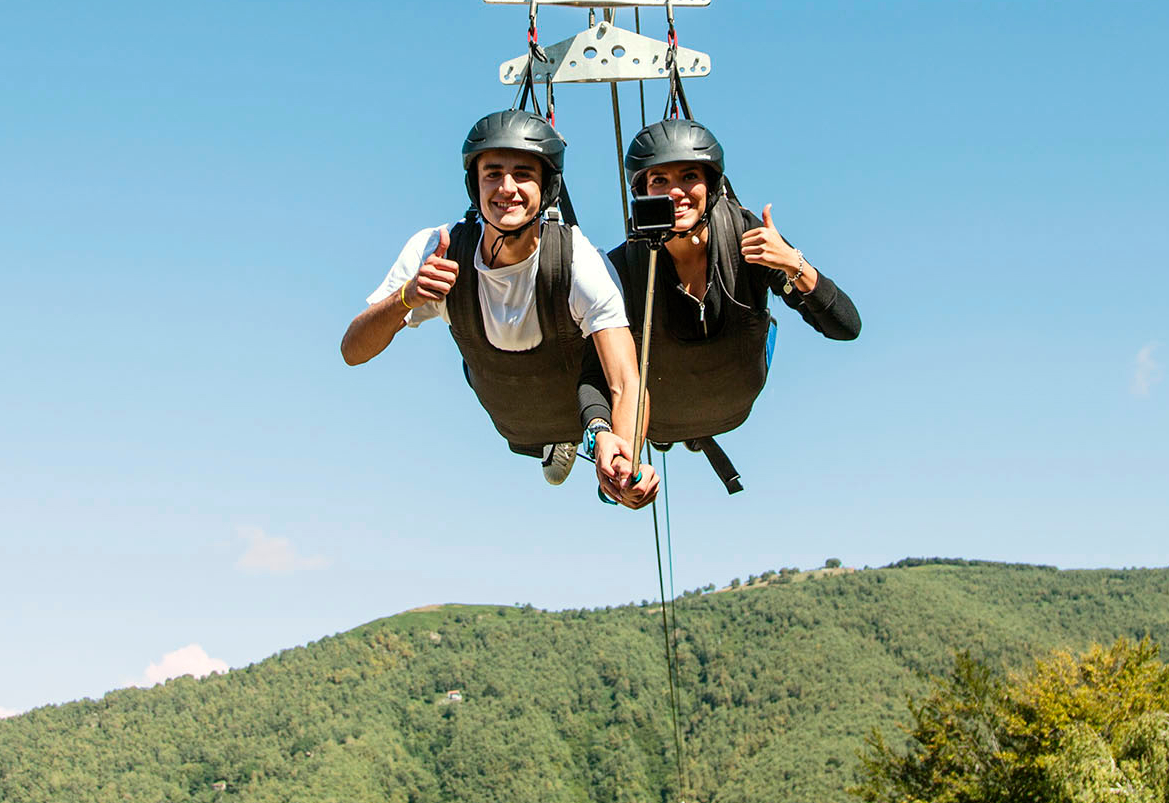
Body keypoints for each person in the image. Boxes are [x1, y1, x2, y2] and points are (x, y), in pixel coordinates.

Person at [341, 110, 659, 508]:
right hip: (509, 407)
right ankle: (554, 440)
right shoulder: (439, 250)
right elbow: (353, 350)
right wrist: (405, 296)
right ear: (474, 185)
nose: (506, 188)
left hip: (569, 393)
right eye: (492, 173)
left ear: (547, 187)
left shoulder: (577, 260)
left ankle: (586, 434)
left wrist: (626, 464)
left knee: (595, 362)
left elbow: (627, 382)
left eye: (523, 174)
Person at [597, 118, 860, 487]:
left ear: (713, 185)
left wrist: (793, 263)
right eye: (660, 181)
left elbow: (846, 327)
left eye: (689, 176)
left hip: (734, 397)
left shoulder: (748, 241)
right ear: (642, 193)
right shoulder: (625, 268)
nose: (676, 193)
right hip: (661, 412)